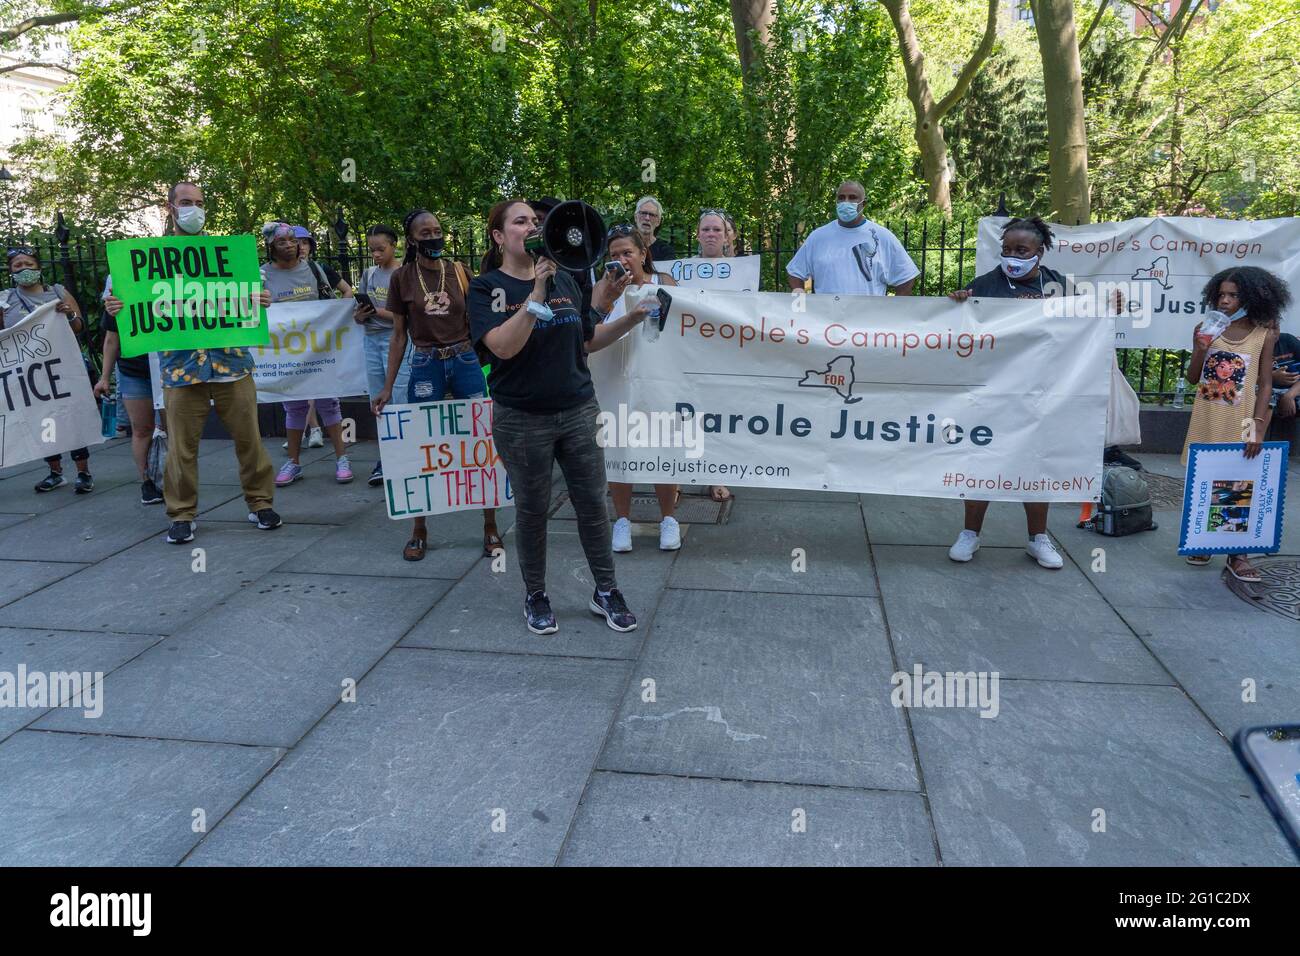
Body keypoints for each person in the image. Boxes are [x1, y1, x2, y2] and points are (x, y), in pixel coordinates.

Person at [468, 199, 647, 635]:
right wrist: (534, 295)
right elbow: (503, 348)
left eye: (534, 220)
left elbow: (585, 339)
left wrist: (631, 319)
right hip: (523, 417)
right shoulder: (486, 288)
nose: (531, 226)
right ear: (498, 235)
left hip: (578, 410)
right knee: (532, 511)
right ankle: (536, 594)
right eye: (519, 221)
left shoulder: (565, 275)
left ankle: (605, 590)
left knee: (592, 505)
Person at [104, 181, 279, 543]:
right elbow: (127, 307)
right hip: (181, 371)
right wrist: (118, 310)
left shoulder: (229, 256)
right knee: (181, 447)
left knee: (251, 440)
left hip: (232, 366)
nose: (194, 209)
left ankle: (261, 503)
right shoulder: (145, 261)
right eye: (186, 202)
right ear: (170, 207)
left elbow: (250, 296)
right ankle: (181, 514)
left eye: (199, 202)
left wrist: (261, 299)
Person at [370, 208, 502, 561]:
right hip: (425, 363)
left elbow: (480, 320)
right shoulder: (402, 278)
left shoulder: (459, 271)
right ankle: (419, 529)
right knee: (422, 446)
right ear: (412, 239)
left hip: (464, 360)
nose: (433, 238)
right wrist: (387, 387)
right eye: (425, 233)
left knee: (481, 441)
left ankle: (490, 526)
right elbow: (398, 336)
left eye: (437, 231)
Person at [946, 216, 1068, 570]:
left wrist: (1108, 308)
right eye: (1006, 249)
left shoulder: (1059, 286)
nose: (1012, 255)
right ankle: (970, 533)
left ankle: (1038, 539)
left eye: (1021, 249)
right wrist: (958, 302)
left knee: (1036, 463)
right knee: (982, 458)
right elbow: (960, 330)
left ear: (1039, 252)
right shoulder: (984, 285)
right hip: (993, 390)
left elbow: (1084, 324)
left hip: (1042, 391)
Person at [1180, 266, 1287, 582]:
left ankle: (1237, 554)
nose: (1225, 301)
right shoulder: (1206, 328)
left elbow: (1266, 384)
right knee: (1204, 478)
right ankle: (1205, 541)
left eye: (1233, 295)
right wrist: (1200, 349)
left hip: (1241, 420)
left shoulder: (1263, 334)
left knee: (1237, 481)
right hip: (1206, 415)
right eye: (1221, 294)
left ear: (1252, 297)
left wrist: (1256, 426)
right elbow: (1192, 377)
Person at [600, 223, 682, 553]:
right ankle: (622, 520)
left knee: (665, 444)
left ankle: (668, 518)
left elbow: (682, 326)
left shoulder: (664, 283)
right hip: (617, 378)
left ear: (643, 254)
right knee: (620, 445)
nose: (621, 259)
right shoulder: (602, 288)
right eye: (614, 254)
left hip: (660, 377)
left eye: (627, 253)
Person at [259, 222, 354, 486]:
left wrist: (338, 316)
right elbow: (255, 309)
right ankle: (294, 462)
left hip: (319, 348)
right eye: (283, 242)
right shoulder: (262, 275)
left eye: (293, 240)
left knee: (328, 402)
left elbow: (347, 291)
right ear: (271, 246)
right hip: (287, 351)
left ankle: (341, 459)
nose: (290, 245)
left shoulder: (317, 269)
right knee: (294, 405)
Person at [1, 246, 94, 494]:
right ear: (10, 270)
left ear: (38, 267)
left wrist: (70, 313)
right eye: (18, 265)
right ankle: (55, 472)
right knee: (43, 420)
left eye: (28, 264)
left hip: (62, 367)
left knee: (71, 418)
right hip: (31, 373)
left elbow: (78, 327)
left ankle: (83, 472)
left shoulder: (57, 292)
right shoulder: (5, 299)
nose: (24, 269)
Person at [94, 275, 165, 504]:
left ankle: (173, 478)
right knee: (142, 429)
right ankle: (147, 482)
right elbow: (111, 341)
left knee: (174, 429)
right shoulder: (119, 301)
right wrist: (105, 377)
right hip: (134, 371)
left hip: (169, 371)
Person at [786, 180, 919, 296]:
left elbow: (906, 277)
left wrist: (894, 313)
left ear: (863, 203)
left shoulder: (882, 236)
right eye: (841, 198)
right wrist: (800, 302)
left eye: (852, 197)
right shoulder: (818, 237)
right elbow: (795, 272)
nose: (846, 202)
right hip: (826, 321)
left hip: (868, 320)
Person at [355, 224, 410, 487]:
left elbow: (405, 318)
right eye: (372, 250)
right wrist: (361, 314)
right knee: (377, 400)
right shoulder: (369, 274)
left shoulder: (403, 274)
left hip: (395, 341)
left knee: (398, 397)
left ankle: (404, 456)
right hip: (371, 340)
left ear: (394, 246)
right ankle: (385, 458)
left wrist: (376, 311)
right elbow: (360, 313)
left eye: (381, 249)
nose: (376, 254)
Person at [696, 209, 735, 503]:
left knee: (720, 413)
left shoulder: (740, 273)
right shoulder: (681, 271)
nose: (711, 234)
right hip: (690, 351)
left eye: (716, 230)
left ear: (726, 236)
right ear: (698, 235)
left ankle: (716, 473)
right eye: (706, 229)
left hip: (724, 353)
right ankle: (681, 474)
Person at [1269, 330, 1299, 422]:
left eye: (1275, 327)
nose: (1272, 332)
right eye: (1266, 329)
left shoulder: (1288, 340)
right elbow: (1245, 378)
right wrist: (1272, 377)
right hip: (1267, 390)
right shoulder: (1252, 346)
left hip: (1294, 389)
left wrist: (1290, 395)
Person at [635, 195, 676, 262]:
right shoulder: (625, 246)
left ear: (658, 222)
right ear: (636, 217)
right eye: (643, 213)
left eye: (652, 215)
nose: (647, 218)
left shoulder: (666, 251)